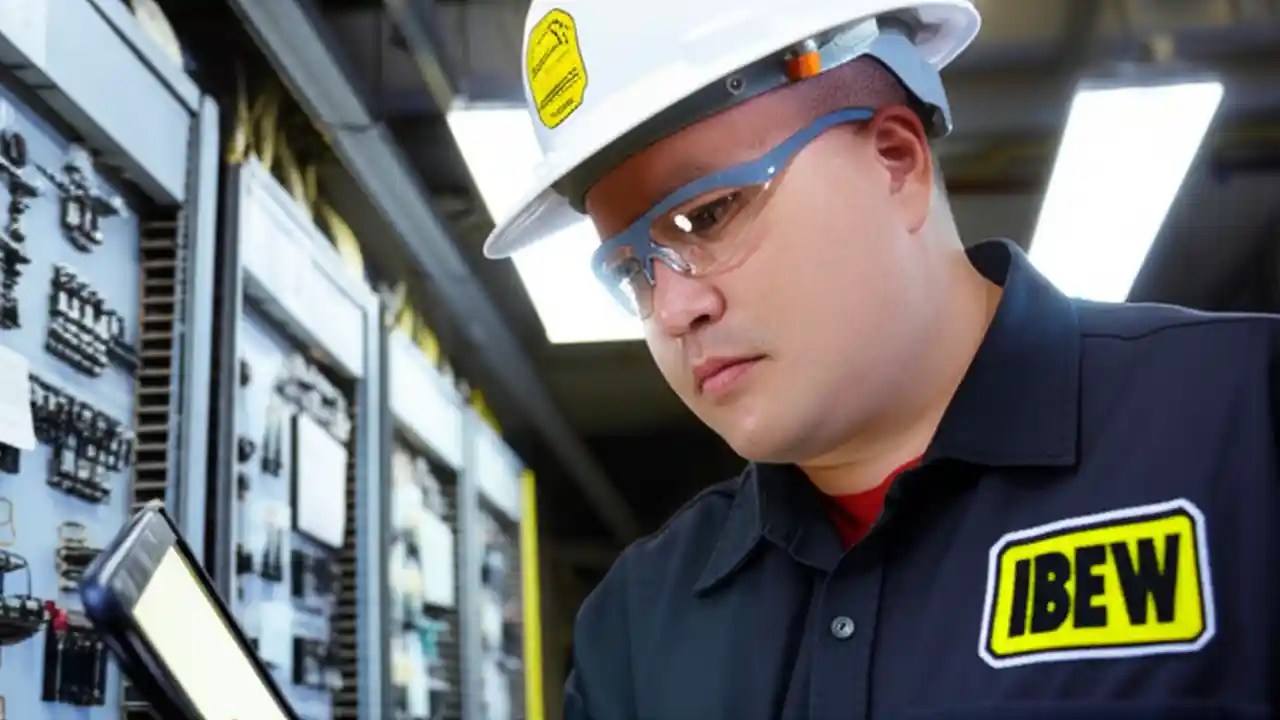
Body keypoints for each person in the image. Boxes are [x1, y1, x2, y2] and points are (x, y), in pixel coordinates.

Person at [485, 1, 1280, 717]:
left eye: (710, 214)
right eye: (631, 270)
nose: (671, 310)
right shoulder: (639, 626)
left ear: (896, 160)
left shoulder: (1243, 429)